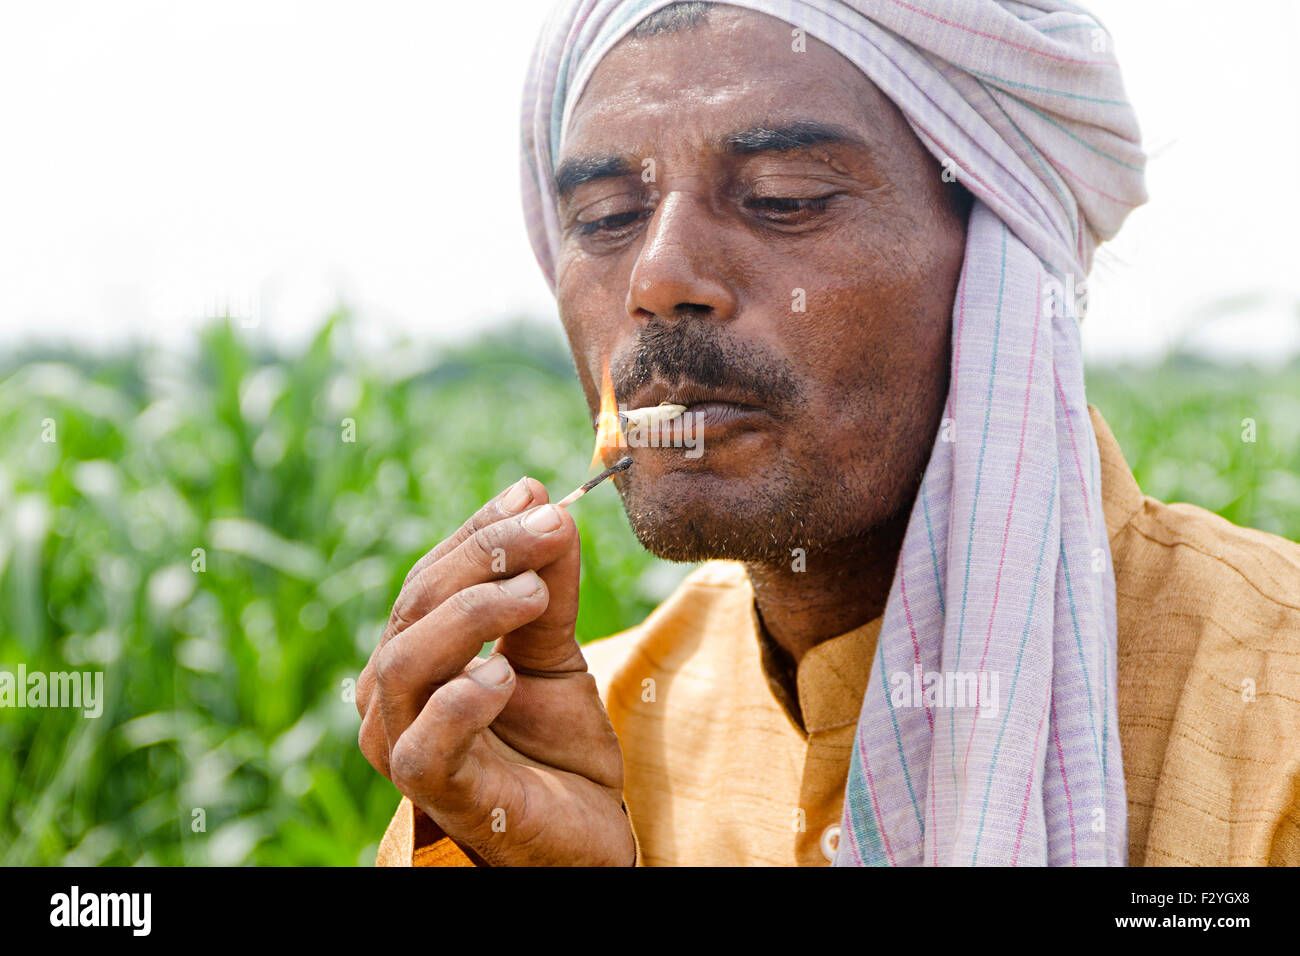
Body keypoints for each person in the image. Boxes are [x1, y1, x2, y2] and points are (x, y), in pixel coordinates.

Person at [357, 0, 1300, 866]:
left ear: (1000, 255)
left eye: (784, 198)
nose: (658, 277)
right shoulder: (545, 745)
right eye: (605, 219)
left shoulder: (1274, 719)